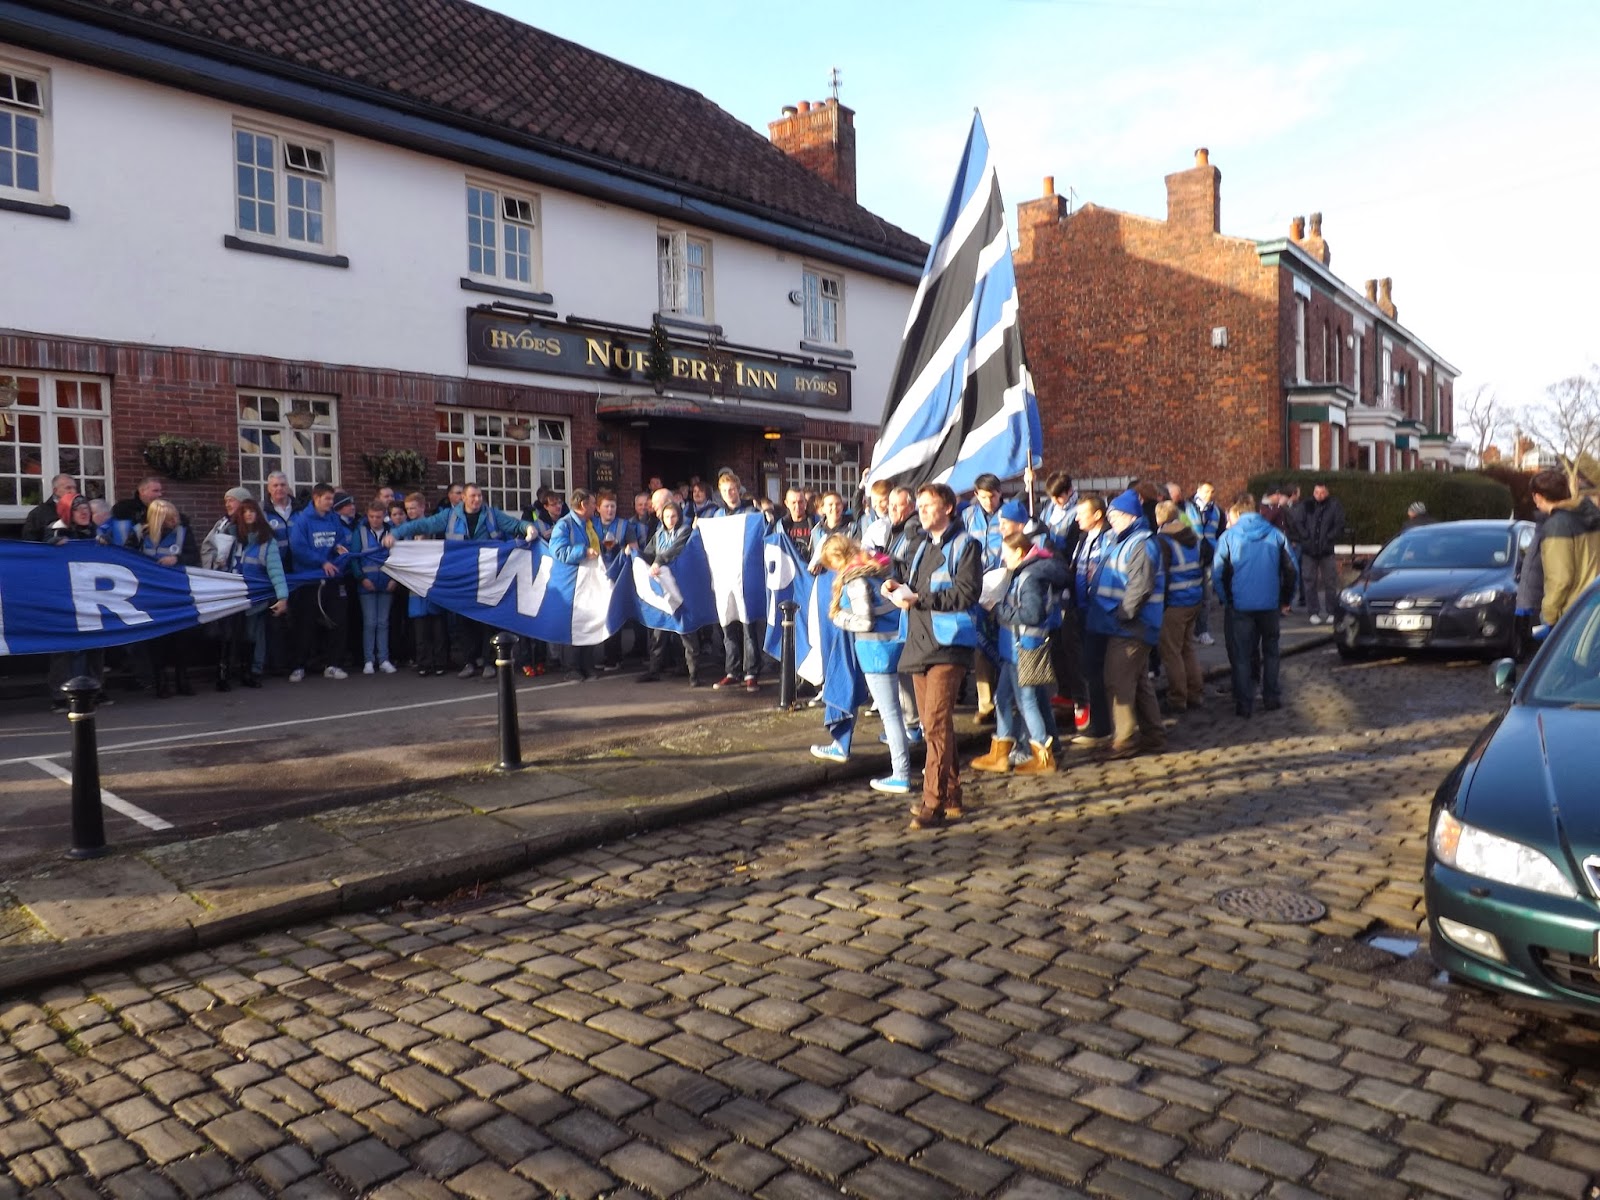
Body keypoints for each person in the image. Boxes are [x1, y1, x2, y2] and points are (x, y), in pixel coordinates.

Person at [886, 483, 983, 830]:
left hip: (948, 643)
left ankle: (932, 802)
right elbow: (916, 588)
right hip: (919, 643)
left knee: (936, 724)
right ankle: (953, 796)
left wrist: (919, 599)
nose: (922, 510)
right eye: (921, 505)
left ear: (949, 509)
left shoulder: (966, 545)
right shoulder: (922, 546)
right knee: (934, 725)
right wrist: (896, 588)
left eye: (929, 505)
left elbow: (967, 593)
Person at [387, 483, 525, 678]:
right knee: (464, 621)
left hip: (486, 576)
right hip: (463, 577)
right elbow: (423, 524)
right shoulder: (450, 516)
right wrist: (395, 533)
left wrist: (529, 528)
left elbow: (515, 524)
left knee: (487, 620)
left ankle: (488, 662)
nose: (477, 500)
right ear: (464, 498)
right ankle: (469, 662)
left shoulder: (493, 515)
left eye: (479, 496)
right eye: (473, 496)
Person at [818, 534, 914, 795]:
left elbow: (865, 622)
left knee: (891, 715)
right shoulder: (877, 570)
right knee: (907, 712)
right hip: (899, 643)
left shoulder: (855, 580)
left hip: (875, 650)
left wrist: (839, 617)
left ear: (838, 559)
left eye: (831, 565)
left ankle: (901, 774)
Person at [974, 531, 1069, 775]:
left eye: (1005, 554)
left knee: (1026, 702)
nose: (1003, 559)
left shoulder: (1028, 577)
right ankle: (1000, 753)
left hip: (1023, 647)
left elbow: (1032, 614)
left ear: (1018, 552)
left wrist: (998, 609)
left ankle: (1042, 756)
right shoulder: (1026, 573)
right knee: (1002, 698)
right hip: (1014, 648)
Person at [1093, 489, 1165, 759]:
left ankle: (1124, 740)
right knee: (1138, 682)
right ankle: (1154, 736)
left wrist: (1124, 614)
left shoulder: (1141, 543)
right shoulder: (1128, 540)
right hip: (1129, 624)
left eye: (1115, 515)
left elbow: (1141, 585)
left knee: (1117, 681)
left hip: (1132, 625)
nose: (1111, 520)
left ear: (1130, 516)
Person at [1215, 492, 1297, 717]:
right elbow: (1292, 570)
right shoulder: (1276, 535)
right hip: (1269, 603)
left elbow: (1218, 573)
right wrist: (1285, 600)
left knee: (1242, 656)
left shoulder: (1228, 537)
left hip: (1240, 605)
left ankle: (1244, 703)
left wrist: (1226, 599)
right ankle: (1271, 697)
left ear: (1238, 514)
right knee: (1271, 651)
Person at [45, 495, 111, 711]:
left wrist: (106, 545)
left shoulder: (97, 533)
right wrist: (51, 546)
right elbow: (40, 559)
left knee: (95, 647)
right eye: (78, 509)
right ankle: (60, 696)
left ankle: (95, 690)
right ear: (67, 513)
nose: (84, 512)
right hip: (65, 599)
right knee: (67, 649)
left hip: (91, 598)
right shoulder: (55, 532)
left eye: (86, 508)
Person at [704, 469, 763, 692]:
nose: (730, 493)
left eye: (733, 489)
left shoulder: (750, 513)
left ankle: (751, 672)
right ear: (720, 493)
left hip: (745, 577)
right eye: (725, 491)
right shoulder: (716, 517)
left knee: (748, 627)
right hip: (723, 579)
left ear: (739, 490)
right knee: (728, 627)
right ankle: (732, 671)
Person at [288, 483, 352, 683]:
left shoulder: (333, 519)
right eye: (328, 499)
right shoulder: (302, 520)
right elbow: (298, 548)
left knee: (337, 622)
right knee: (305, 624)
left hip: (332, 579)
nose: (331, 503)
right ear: (316, 498)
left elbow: (339, 540)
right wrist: (321, 562)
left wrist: (340, 550)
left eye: (332, 499)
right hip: (309, 580)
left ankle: (333, 665)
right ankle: (299, 666)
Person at [137, 498, 200, 697]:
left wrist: (178, 559)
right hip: (152, 594)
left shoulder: (183, 533)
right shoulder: (140, 534)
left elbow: (195, 559)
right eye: (170, 518)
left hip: (178, 592)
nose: (175, 521)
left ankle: (183, 678)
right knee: (157, 641)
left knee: (183, 638)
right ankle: (161, 681)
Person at [638, 499, 701, 685]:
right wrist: (634, 554)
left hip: (680, 588)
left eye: (673, 516)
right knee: (659, 631)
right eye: (667, 517)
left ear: (679, 517)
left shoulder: (686, 531)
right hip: (662, 589)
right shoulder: (659, 534)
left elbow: (675, 550)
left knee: (686, 631)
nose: (670, 520)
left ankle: (693, 674)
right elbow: (648, 553)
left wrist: (658, 561)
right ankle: (654, 670)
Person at [960, 474, 1006, 723]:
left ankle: (1006, 699)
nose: (988, 502)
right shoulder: (968, 517)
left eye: (993, 496)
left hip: (1005, 590)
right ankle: (986, 704)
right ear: (976, 495)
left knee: (1005, 645)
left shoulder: (1010, 513)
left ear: (1000, 493)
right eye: (983, 497)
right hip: (978, 589)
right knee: (981, 646)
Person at [1070, 495, 1114, 749]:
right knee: (1089, 669)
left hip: (1101, 613)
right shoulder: (1083, 539)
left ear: (1097, 515)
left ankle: (1102, 725)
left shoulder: (1108, 539)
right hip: (1084, 612)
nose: (1077, 518)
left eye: (1082, 513)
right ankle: (1101, 722)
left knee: (1095, 669)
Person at [1531, 470, 1600, 629]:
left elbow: (1561, 579)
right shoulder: (1594, 517)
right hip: (1593, 606)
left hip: (1572, 615)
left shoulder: (1557, 525)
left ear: (1538, 497)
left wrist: (1549, 615)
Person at [1154, 500, 1204, 713]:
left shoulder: (1163, 541)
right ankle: (1195, 692)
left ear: (1159, 518)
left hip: (1174, 602)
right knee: (1187, 648)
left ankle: (1178, 697)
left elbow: (1162, 575)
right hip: (1194, 597)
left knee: (1171, 652)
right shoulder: (1192, 536)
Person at [547, 489, 602, 680]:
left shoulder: (591, 524)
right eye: (593, 504)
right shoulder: (564, 525)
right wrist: (583, 552)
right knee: (572, 625)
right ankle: (571, 668)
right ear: (583, 505)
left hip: (589, 581)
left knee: (588, 621)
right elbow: (558, 552)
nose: (596, 507)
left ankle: (588, 665)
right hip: (570, 583)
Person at [233, 497, 288, 688]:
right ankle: (237, 669)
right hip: (231, 598)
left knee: (254, 634)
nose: (248, 514)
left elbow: (276, 571)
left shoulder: (267, 541)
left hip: (255, 598)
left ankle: (254, 670)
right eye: (245, 511)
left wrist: (282, 597)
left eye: (252, 511)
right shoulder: (232, 538)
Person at [399, 491, 449, 676]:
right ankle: (424, 663)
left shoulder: (434, 529)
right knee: (419, 627)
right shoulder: (404, 531)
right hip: (414, 583)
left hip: (434, 581)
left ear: (423, 507)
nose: (410, 512)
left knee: (438, 626)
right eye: (408, 509)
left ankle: (441, 661)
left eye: (413, 508)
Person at [352, 500, 397, 675]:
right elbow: (354, 557)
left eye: (378, 517)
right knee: (370, 623)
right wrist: (361, 578)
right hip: (367, 583)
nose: (375, 520)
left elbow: (396, 557)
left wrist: (394, 579)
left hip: (386, 582)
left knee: (383, 622)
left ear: (383, 516)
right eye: (371, 517)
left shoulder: (392, 531)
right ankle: (369, 660)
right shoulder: (360, 532)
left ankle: (384, 659)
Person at [592, 490, 635, 671]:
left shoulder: (625, 525)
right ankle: (604, 655)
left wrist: (624, 548)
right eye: (606, 507)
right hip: (595, 576)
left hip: (616, 576)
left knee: (613, 614)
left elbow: (634, 548)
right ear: (598, 508)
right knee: (598, 615)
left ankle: (614, 657)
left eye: (613, 506)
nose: (610, 510)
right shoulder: (590, 525)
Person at [1298, 481, 1345, 624]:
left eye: (1322, 492)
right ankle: (1313, 612)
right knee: (1309, 581)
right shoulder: (1306, 505)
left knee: (1330, 581)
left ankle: (1331, 611)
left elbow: (1339, 524)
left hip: (1326, 550)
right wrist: (1306, 537)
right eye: (1317, 492)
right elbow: (1299, 522)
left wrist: (1329, 538)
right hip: (1309, 550)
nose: (1319, 495)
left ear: (1327, 492)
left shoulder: (1334, 505)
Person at [1184, 482, 1224, 646]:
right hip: (1192, 555)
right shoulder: (1188, 507)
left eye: (1211, 491)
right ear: (1198, 490)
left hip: (1209, 557)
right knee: (1191, 596)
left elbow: (1220, 532)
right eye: (1206, 490)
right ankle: (1190, 631)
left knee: (1206, 597)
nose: (1209, 494)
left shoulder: (1216, 511)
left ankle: (1202, 630)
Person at [22, 473, 77, 541]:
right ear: (55, 491)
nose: (73, 491)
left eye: (74, 488)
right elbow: (30, 542)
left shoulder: (81, 510)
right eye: (68, 488)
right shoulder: (38, 513)